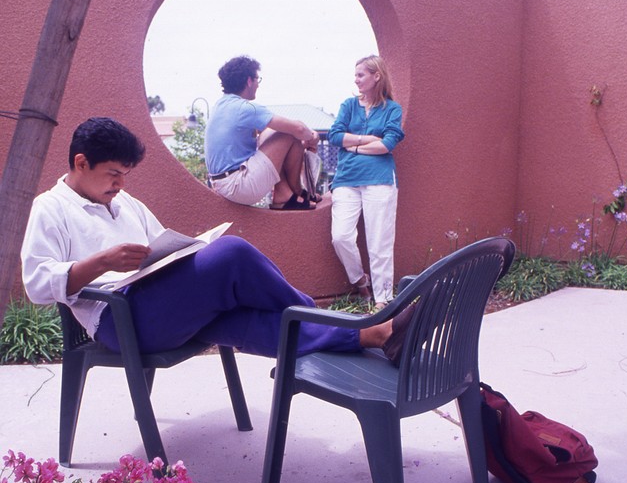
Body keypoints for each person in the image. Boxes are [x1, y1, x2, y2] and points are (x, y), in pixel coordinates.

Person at [21, 118, 412, 365]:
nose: (121, 184)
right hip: (119, 322)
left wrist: (184, 251)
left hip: (160, 303)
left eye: (125, 174)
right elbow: (37, 285)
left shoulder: (124, 202)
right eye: (112, 174)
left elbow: (160, 245)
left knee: (239, 319)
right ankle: (313, 312)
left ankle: (376, 334)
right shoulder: (51, 208)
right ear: (80, 163)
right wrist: (102, 262)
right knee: (232, 252)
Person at [328, 55, 404, 310]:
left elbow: (387, 145)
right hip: (346, 180)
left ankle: (382, 299)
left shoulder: (392, 109)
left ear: (376, 76)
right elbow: (335, 135)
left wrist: (356, 147)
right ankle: (360, 280)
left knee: (379, 241)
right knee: (341, 237)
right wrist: (366, 139)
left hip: (380, 179)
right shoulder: (349, 105)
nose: (356, 79)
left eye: (361, 74)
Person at [205, 55, 319, 211]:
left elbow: (266, 132)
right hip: (238, 186)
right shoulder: (245, 108)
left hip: (222, 183)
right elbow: (297, 129)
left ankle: (283, 194)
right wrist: (312, 136)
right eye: (257, 79)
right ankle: (299, 192)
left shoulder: (220, 105)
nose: (258, 84)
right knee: (289, 133)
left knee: (269, 132)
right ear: (249, 81)